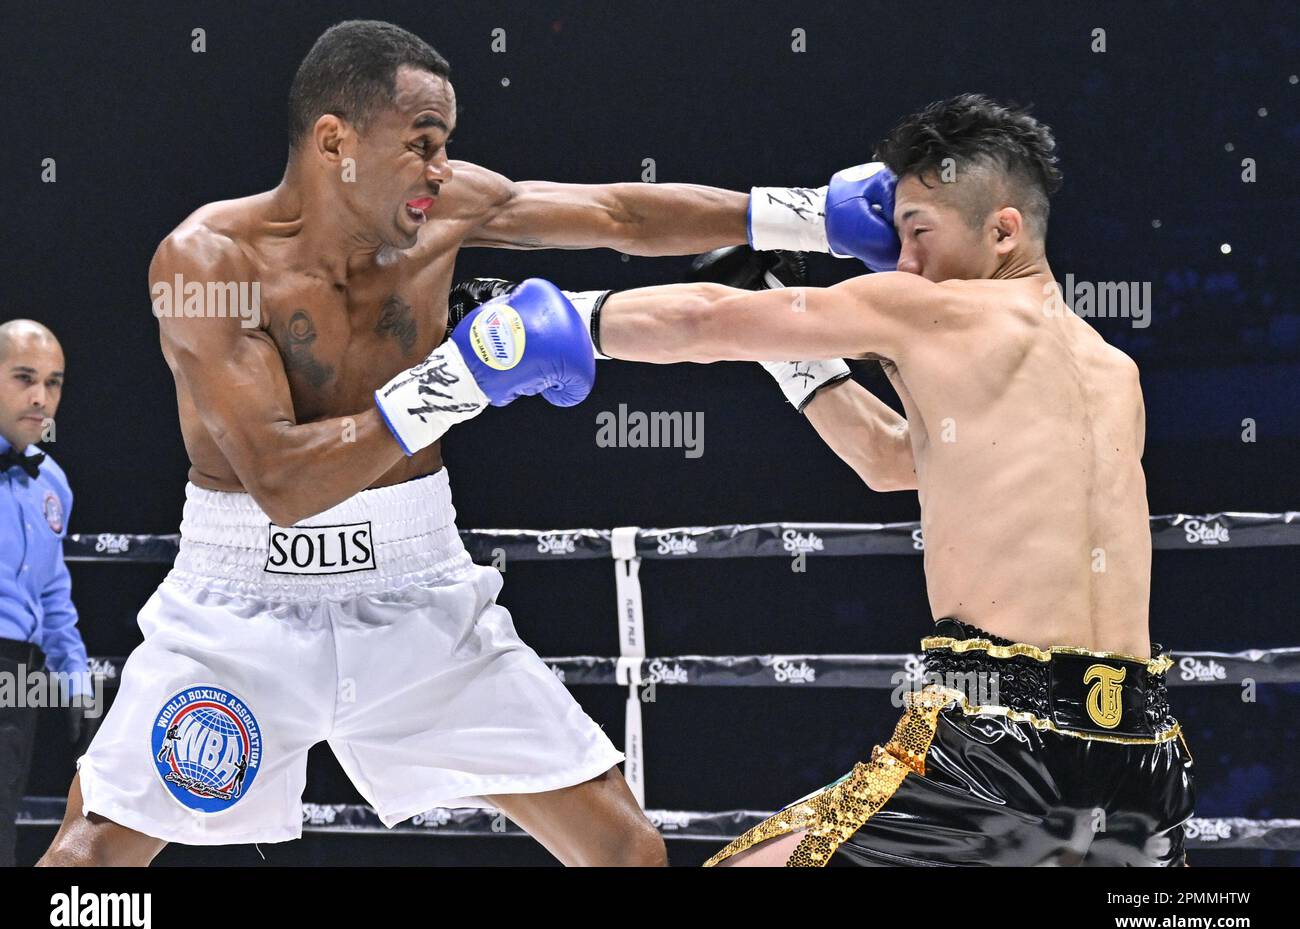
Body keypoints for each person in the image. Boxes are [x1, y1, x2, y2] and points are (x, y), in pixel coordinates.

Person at [37, 19, 883, 867]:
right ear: (336, 141)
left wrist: (810, 220)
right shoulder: (207, 264)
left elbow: (616, 213)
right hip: (240, 612)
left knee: (627, 851)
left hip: (422, 597)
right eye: (422, 145)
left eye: (447, 148)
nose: (441, 171)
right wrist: (463, 378)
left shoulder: (445, 214)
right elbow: (283, 483)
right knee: (89, 860)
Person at [580, 94, 1195, 865]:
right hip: (1143, 755)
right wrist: (791, 343)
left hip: (997, 742)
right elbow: (892, 461)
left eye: (917, 232)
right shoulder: (1114, 370)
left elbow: (702, 323)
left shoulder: (927, 309)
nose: (901, 261)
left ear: (1002, 228)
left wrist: (547, 321)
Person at [0, 319, 93, 867]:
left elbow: (54, 593)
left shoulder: (52, 482)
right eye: (24, 378)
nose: (40, 397)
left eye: (53, 383)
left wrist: (78, 687)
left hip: (18, 676)